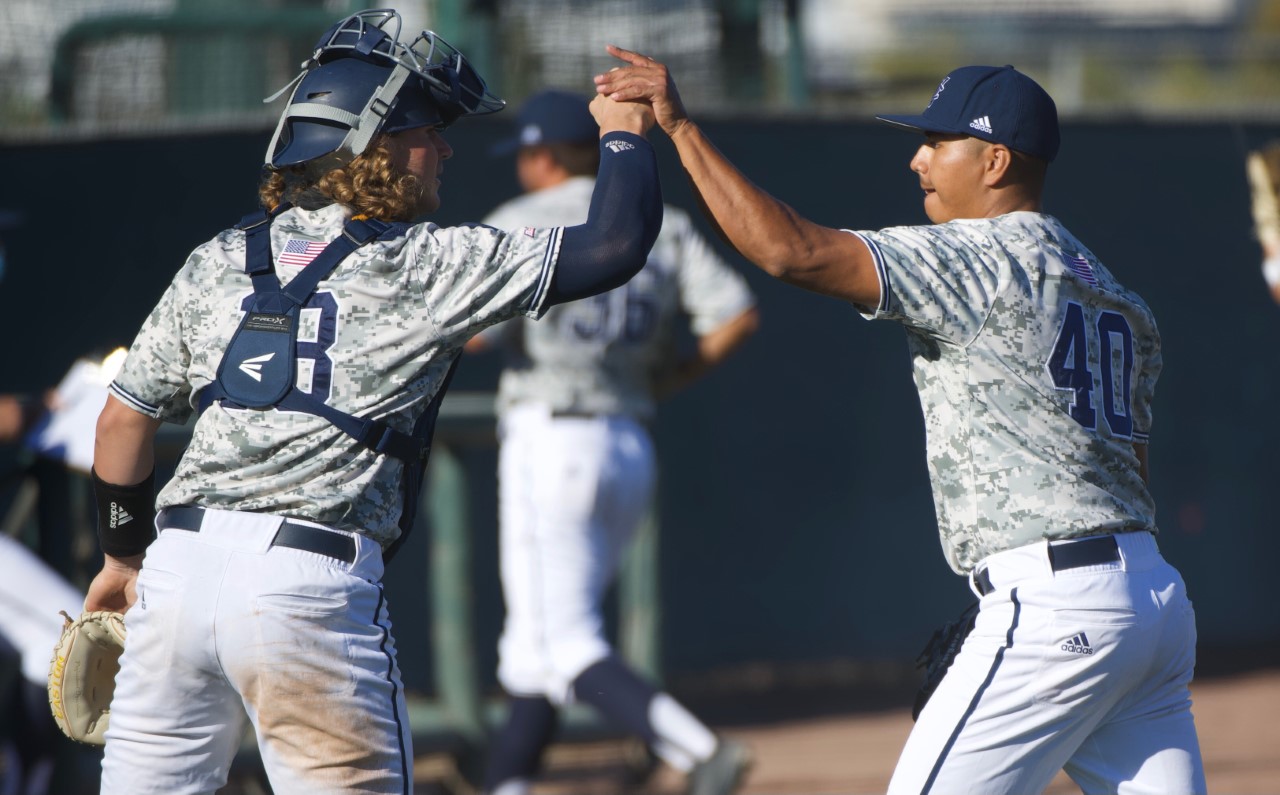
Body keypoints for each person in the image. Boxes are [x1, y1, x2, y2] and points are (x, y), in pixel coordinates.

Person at [83, 10, 663, 794]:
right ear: (375, 143)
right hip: (304, 583)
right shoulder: (423, 263)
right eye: (428, 129)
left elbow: (123, 421)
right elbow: (614, 243)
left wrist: (122, 556)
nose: (445, 147)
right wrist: (625, 135)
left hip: (174, 577)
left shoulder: (218, 257)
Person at [596, 53, 1206, 794]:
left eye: (937, 143)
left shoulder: (975, 259)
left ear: (995, 161)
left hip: (1055, 609)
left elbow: (792, 251)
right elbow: (1129, 474)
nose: (917, 159)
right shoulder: (1115, 293)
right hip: (1154, 604)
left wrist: (681, 128)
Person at [466, 89, 759, 795]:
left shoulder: (518, 221)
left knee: (563, 642)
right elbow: (736, 316)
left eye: (529, 155)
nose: (525, 168)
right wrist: (674, 375)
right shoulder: (659, 221)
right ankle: (506, 783)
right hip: (628, 440)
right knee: (533, 647)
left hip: (551, 439)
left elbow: (472, 335)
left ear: (544, 155)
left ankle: (699, 750)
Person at [1246, 141, 1280, 304]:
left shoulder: (1274, 278)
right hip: (1271, 233)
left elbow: (1268, 253)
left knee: (1264, 189)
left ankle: (1260, 160)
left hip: (1271, 233)